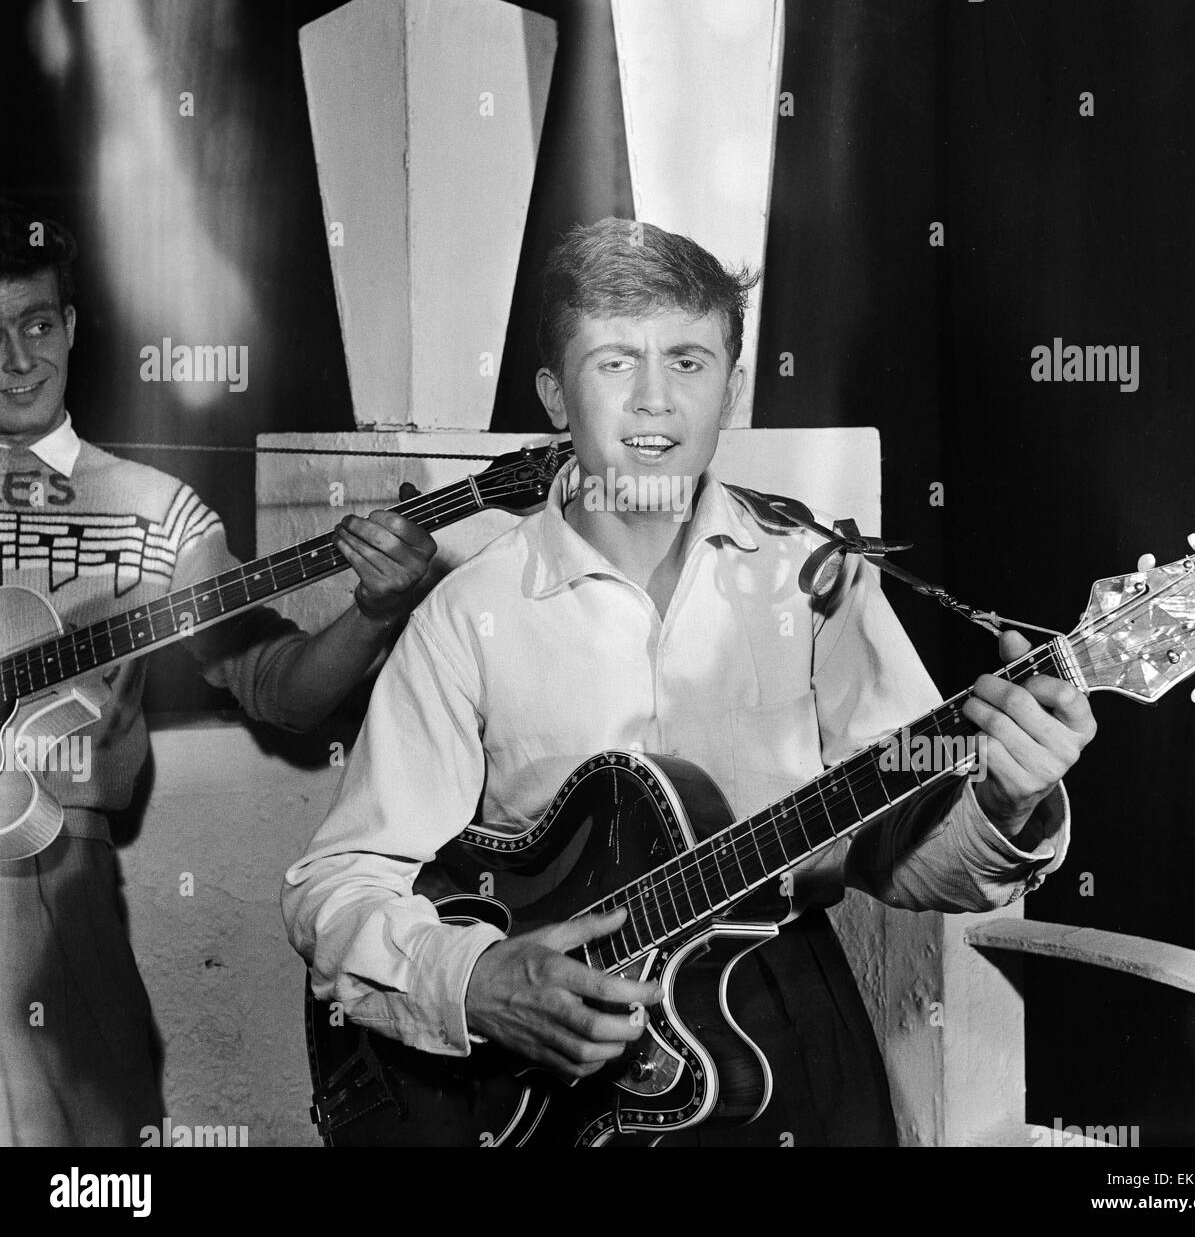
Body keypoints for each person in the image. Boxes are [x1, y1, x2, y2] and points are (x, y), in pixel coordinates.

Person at [283, 217, 1097, 1146]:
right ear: (555, 396)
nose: (654, 405)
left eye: (688, 362)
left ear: (733, 391)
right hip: (552, 1074)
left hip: (785, 1018)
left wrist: (1010, 800)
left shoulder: (817, 578)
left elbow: (897, 853)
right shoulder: (467, 615)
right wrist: (475, 980)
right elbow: (335, 882)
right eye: (614, 365)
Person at [0, 199, 438, 1145]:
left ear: (71, 328)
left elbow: (284, 687)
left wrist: (376, 609)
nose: (17, 360)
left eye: (37, 325)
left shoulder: (156, 514)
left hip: (56, 905)